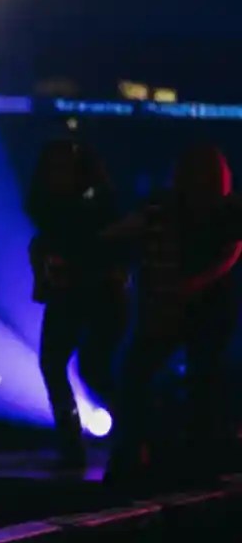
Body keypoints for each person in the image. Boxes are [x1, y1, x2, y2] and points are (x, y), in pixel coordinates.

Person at [103, 143, 242, 489]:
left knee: (194, 379)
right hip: (180, 305)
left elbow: (231, 250)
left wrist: (194, 283)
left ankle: (178, 454)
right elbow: (132, 229)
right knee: (178, 378)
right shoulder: (172, 206)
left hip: (201, 306)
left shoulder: (222, 210)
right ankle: (151, 451)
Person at [24, 138, 126, 469]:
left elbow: (106, 247)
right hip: (71, 294)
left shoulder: (97, 203)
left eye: (63, 169)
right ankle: (73, 445)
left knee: (92, 369)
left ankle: (134, 437)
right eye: (53, 169)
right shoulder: (54, 206)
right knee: (55, 364)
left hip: (100, 294)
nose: (57, 175)